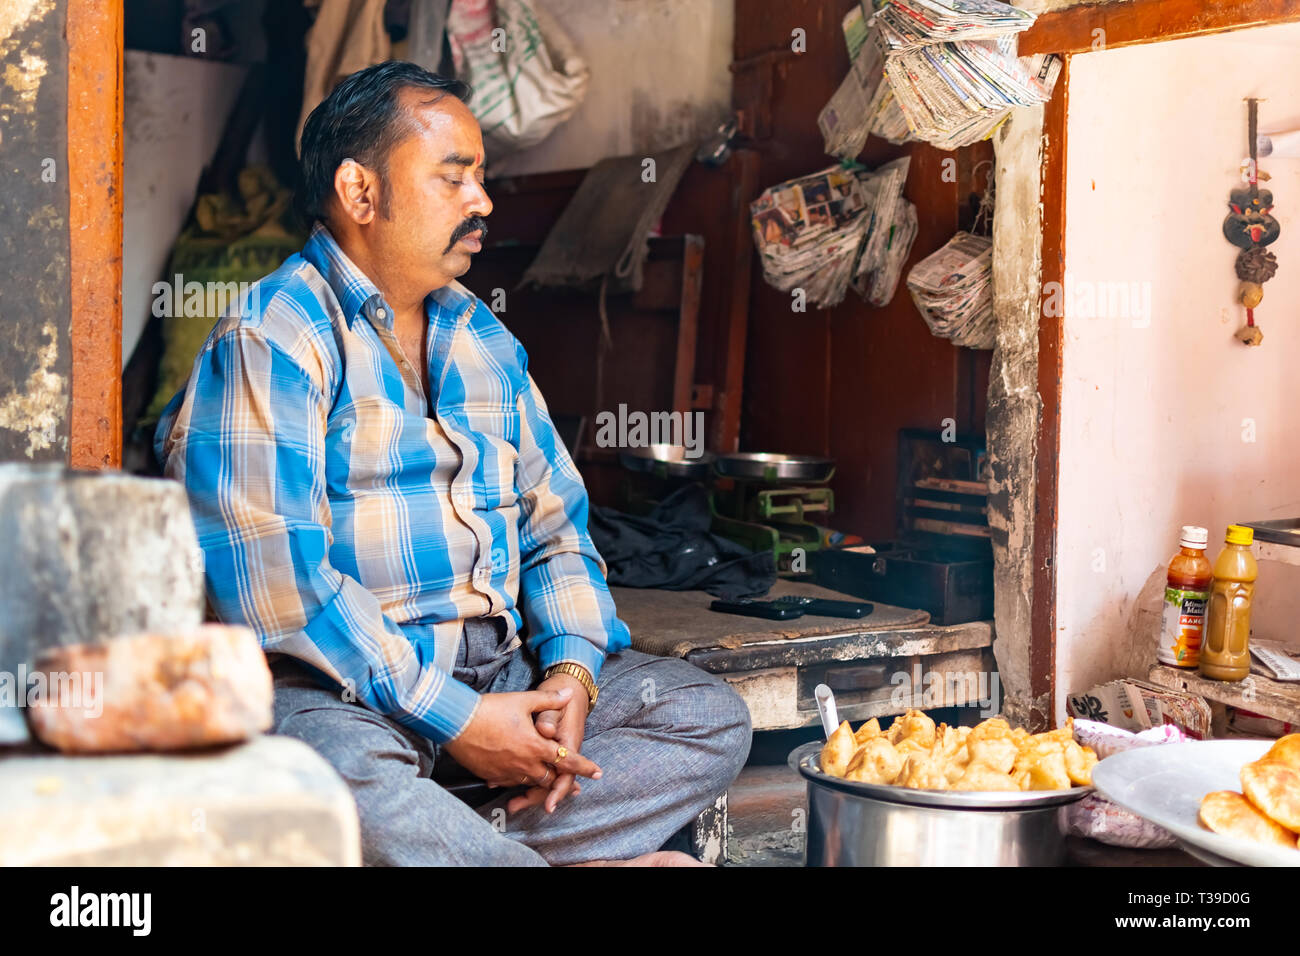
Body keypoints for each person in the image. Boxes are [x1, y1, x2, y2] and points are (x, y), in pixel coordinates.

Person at [155, 61, 751, 866]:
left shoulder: (483, 339)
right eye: (455, 176)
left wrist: (571, 674)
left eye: (483, 176)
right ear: (360, 193)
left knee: (704, 716)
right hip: (342, 698)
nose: (483, 201)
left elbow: (555, 529)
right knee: (321, 777)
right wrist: (458, 722)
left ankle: (458, 846)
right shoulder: (273, 338)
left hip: (503, 678)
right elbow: (282, 593)